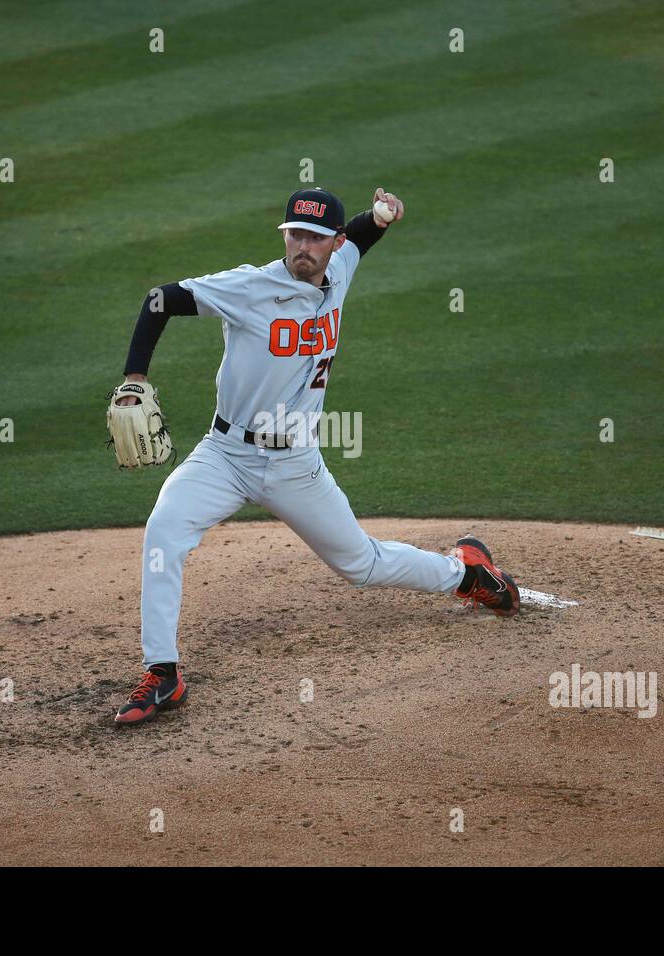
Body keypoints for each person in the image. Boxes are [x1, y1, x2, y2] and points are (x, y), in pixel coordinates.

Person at [109, 186, 520, 726]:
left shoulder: (340, 268)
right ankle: (162, 673)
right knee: (164, 528)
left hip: (295, 465)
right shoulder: (249, 286)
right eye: (294, 235)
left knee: (362, 565)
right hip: (225, 455)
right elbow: (158, 299)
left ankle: (466, 575)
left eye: (314, 239)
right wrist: (134, 376)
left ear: (333, 244)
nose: (302, 247)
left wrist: (380, 218)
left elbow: (361, 240)